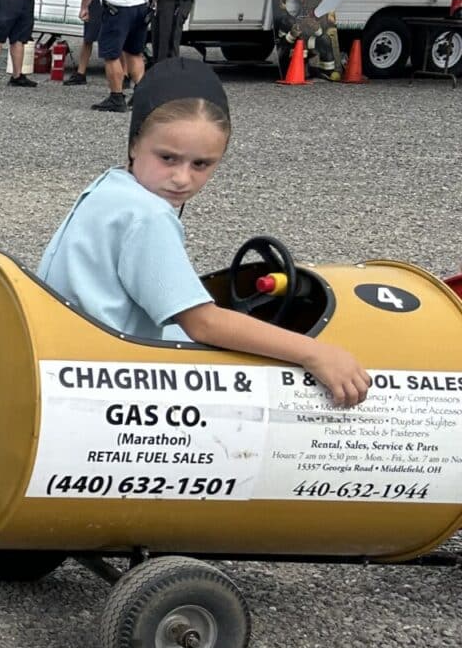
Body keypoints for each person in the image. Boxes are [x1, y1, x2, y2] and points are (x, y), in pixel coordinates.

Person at [37, 58, 369, 407]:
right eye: (168, 158)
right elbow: (203, 324)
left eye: (201, 164)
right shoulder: (147, 215)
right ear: (134, 144)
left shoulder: (111, 186)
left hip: (62, 354)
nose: (182, 178)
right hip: (103, 381)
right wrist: (314, 353)